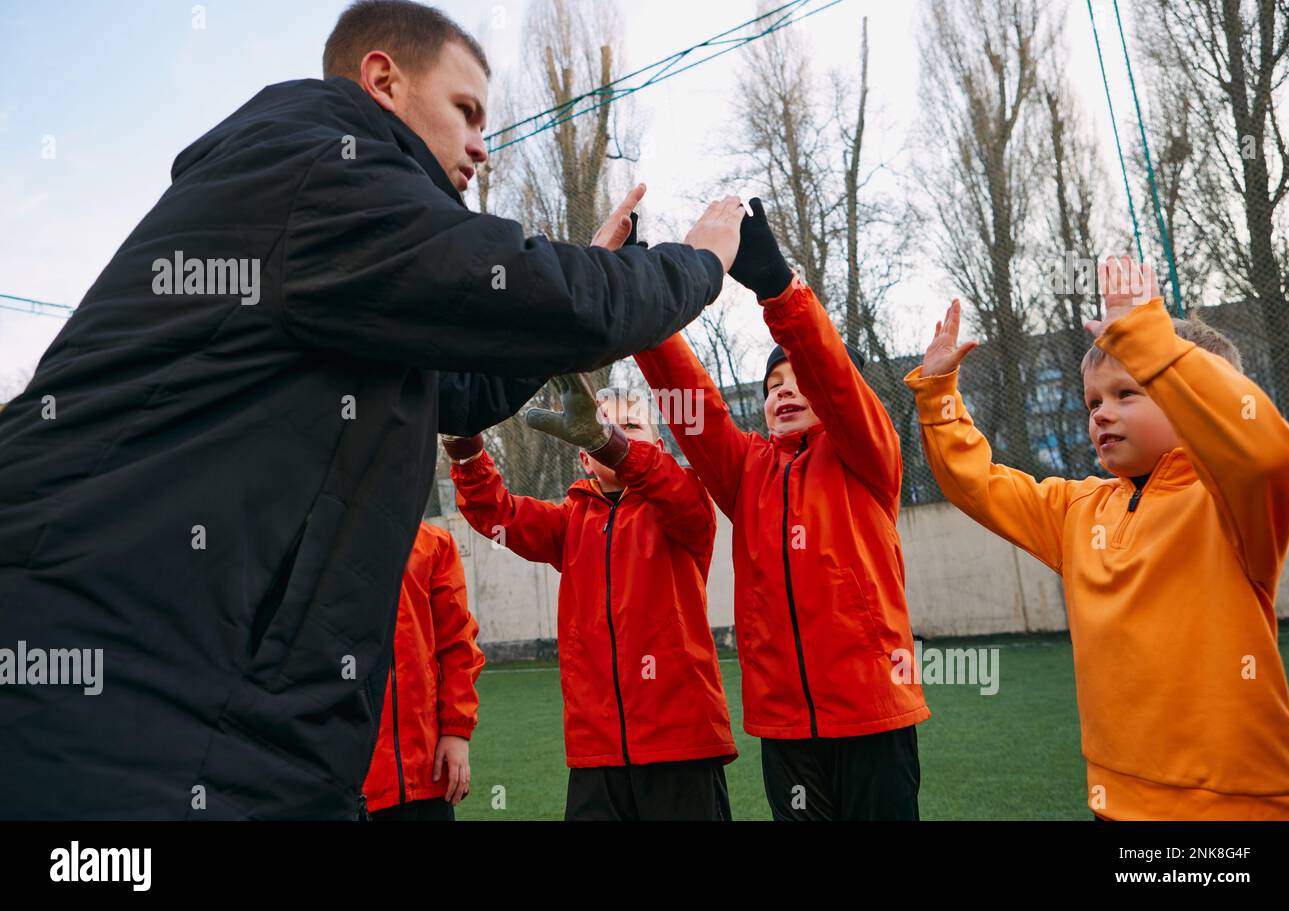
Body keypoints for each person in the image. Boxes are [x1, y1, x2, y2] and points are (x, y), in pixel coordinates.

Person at [0, 0, 743, 819]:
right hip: (116, 694)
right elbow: (542, 296)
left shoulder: (347, 247)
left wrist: (570, 315)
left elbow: (457, 382)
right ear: (382, 80)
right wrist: (698, 263)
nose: (481, 144)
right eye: (465, 110)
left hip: (203, 711)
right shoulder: (318, 170)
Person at [905, 256, 1289, 820]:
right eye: (1094, 402)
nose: (1102, 415)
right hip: (1115, 800)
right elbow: (981, 486)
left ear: (1191, 396)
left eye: (1127, 393)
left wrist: (1153, 345)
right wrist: (940, 397)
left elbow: (1261, 451)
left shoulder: (1232, 503)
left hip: (1236, 806)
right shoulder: (1078, 509)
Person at [633, 200, 928, 821]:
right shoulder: (747, 471)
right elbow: (694, 406)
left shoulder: (866, 455)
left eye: (796, 382)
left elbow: (838, 381)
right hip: (786, 728)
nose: (784, 392)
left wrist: (778, 289)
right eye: (771, 387)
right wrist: (645, 309)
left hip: (873, 716)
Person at [445, 373, 737, 821]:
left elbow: (672, 492)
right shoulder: (571, 520)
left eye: (631, 427)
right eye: (602, 427)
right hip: (595, 751)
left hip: (682, 744)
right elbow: (498, 512)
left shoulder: (685, 500)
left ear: (658, 450)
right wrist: (465, 449)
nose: (614, 435)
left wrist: (611, 443)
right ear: (583, 458)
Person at [363, 522, 482, 821]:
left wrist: (457, 731)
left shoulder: (433, 544)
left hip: (427, 769)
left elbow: (458, 644)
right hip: (352, 776)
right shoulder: (315, 542)